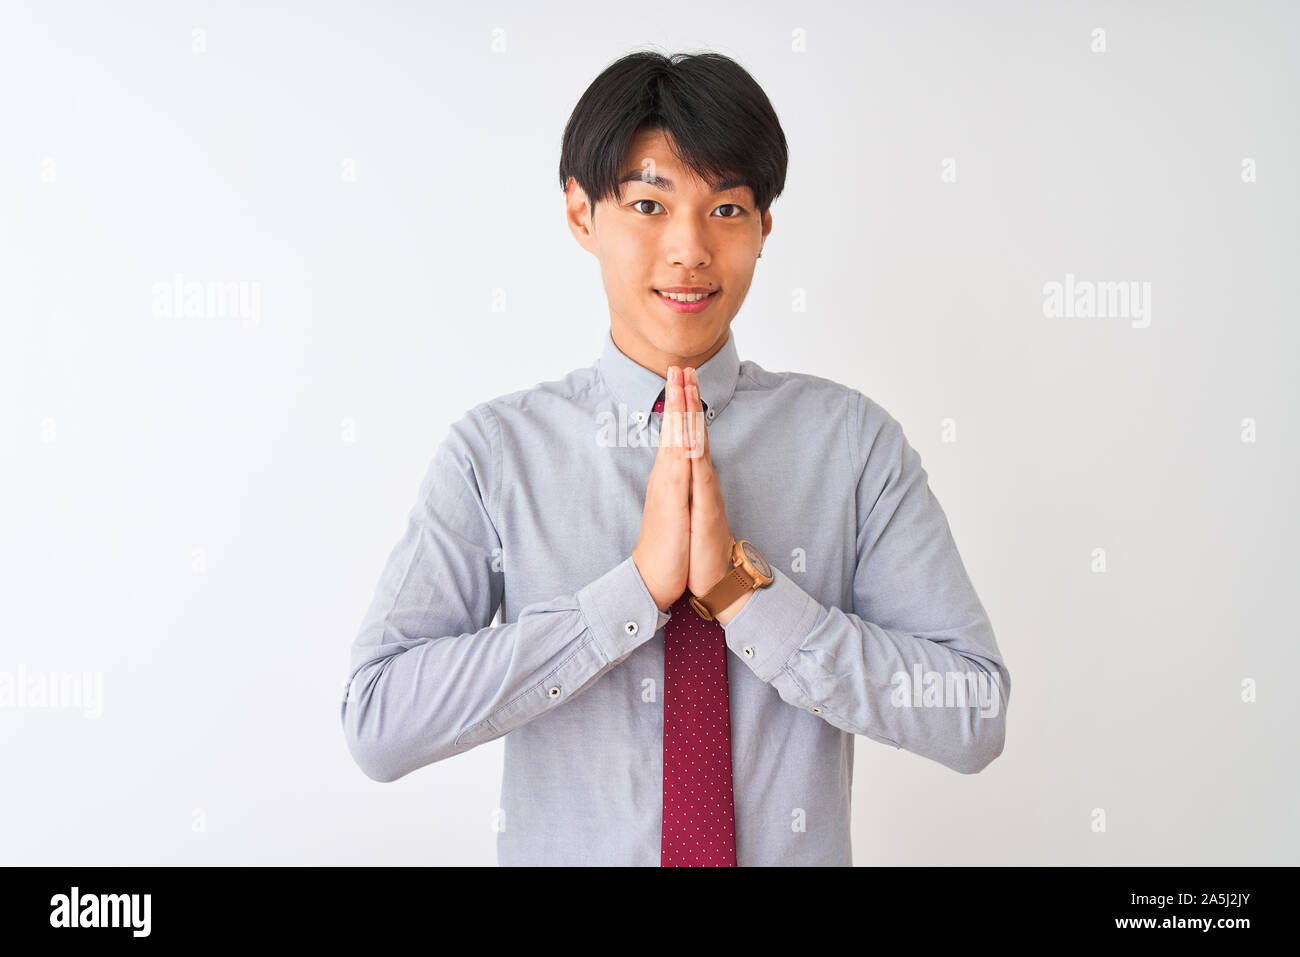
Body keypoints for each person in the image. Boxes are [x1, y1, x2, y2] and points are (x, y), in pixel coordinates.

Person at [340, 50, 1010, 866]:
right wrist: (630, 595)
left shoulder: (855, 445)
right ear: (582, 216)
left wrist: (742, 593)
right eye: (650, 204)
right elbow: (377, 721)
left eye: (725, 209)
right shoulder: (494, 455)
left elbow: (973, 714)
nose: (690, 249)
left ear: (765, 226)